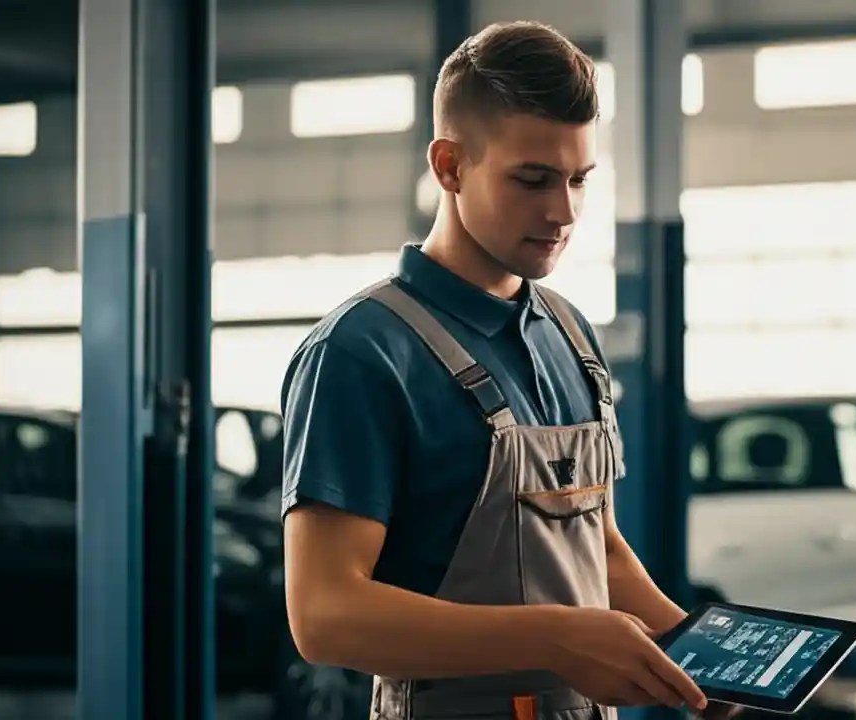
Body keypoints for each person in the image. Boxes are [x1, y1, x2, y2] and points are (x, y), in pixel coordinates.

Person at [279, 21, 712, 720]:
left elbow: (590, 541)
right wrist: (558, 639)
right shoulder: (362, 354)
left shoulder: (570, 336)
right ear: (449, 165)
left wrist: (691, 653)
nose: (563, 211)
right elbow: (325, 614)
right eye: (533, 179)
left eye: (579, 179)